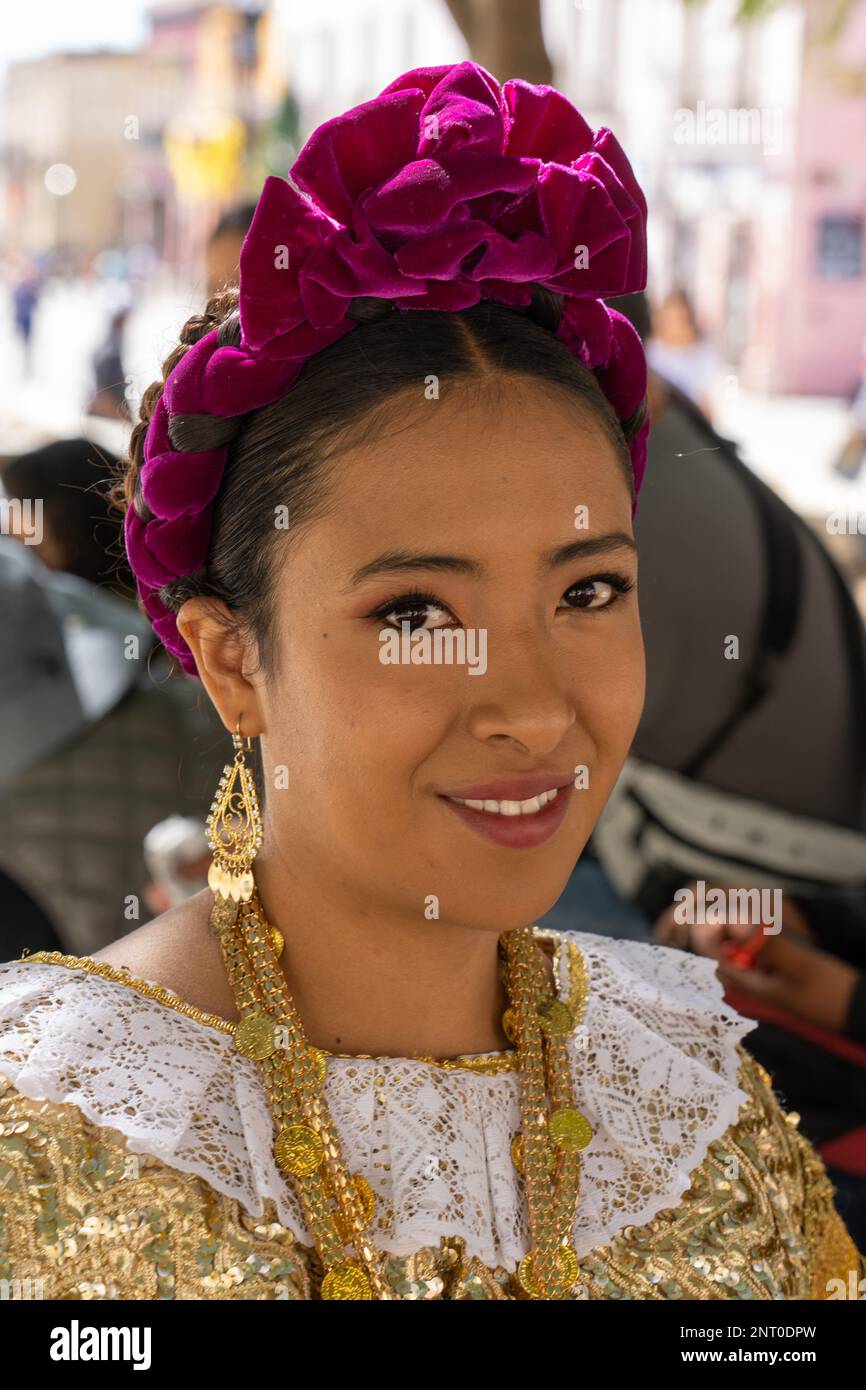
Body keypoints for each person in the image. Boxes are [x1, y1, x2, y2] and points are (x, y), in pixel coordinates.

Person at [0, 62, 862, 1301]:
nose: (531, 706)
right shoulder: (55, 1127)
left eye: (585, 592)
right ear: (234, 659)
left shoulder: (694, 1098)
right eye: (415, 612)